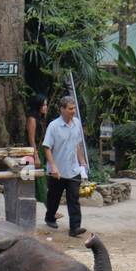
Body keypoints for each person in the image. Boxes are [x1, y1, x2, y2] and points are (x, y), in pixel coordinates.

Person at [42, 95, 88, 237]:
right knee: (54, 197)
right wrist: (53, 167)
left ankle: (75, 227)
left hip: (73, 169)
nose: (73, 111)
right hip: (58, 171)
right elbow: (47, 147)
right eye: (70, 109)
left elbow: (77, 144)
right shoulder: (53, 126)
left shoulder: (77, 123)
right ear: (62, 109)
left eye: (74, 108)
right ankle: (50, 217)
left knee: (73, 199)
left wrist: (82, 162)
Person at [26, 94, 52, 208]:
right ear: (38, 106)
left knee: (40, 180)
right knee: (39, 180)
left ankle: (50, 210)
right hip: (33, 152)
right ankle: (51, 210)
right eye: (44, 105)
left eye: (46, 105)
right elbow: (31, 140)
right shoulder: (32, 119)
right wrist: (35, 156)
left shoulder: (41, 119)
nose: (46, 107)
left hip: (40, 151)